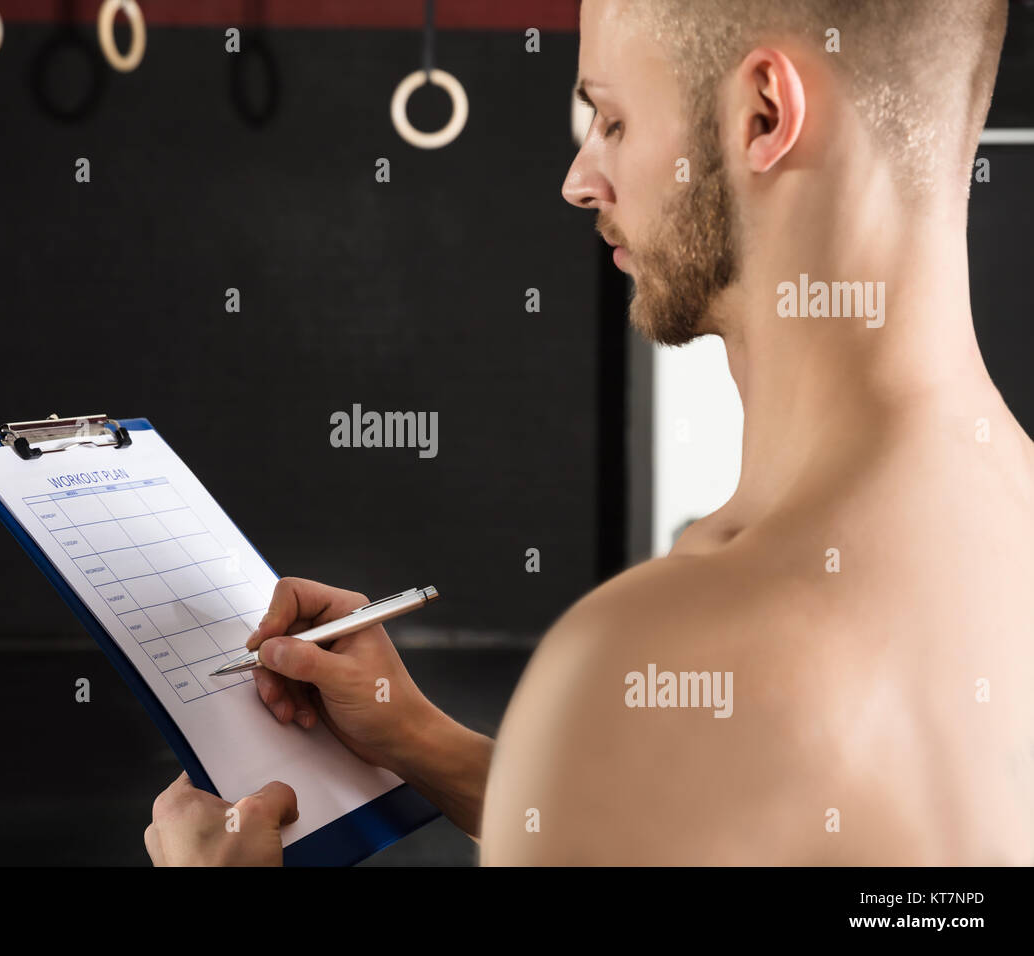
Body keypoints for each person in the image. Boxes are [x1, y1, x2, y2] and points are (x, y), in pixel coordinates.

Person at [143, 0, 1033, 866]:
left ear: (764, 112)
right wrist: (419, 740)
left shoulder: (647, 653)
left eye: (610, 120)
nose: (579, 180)